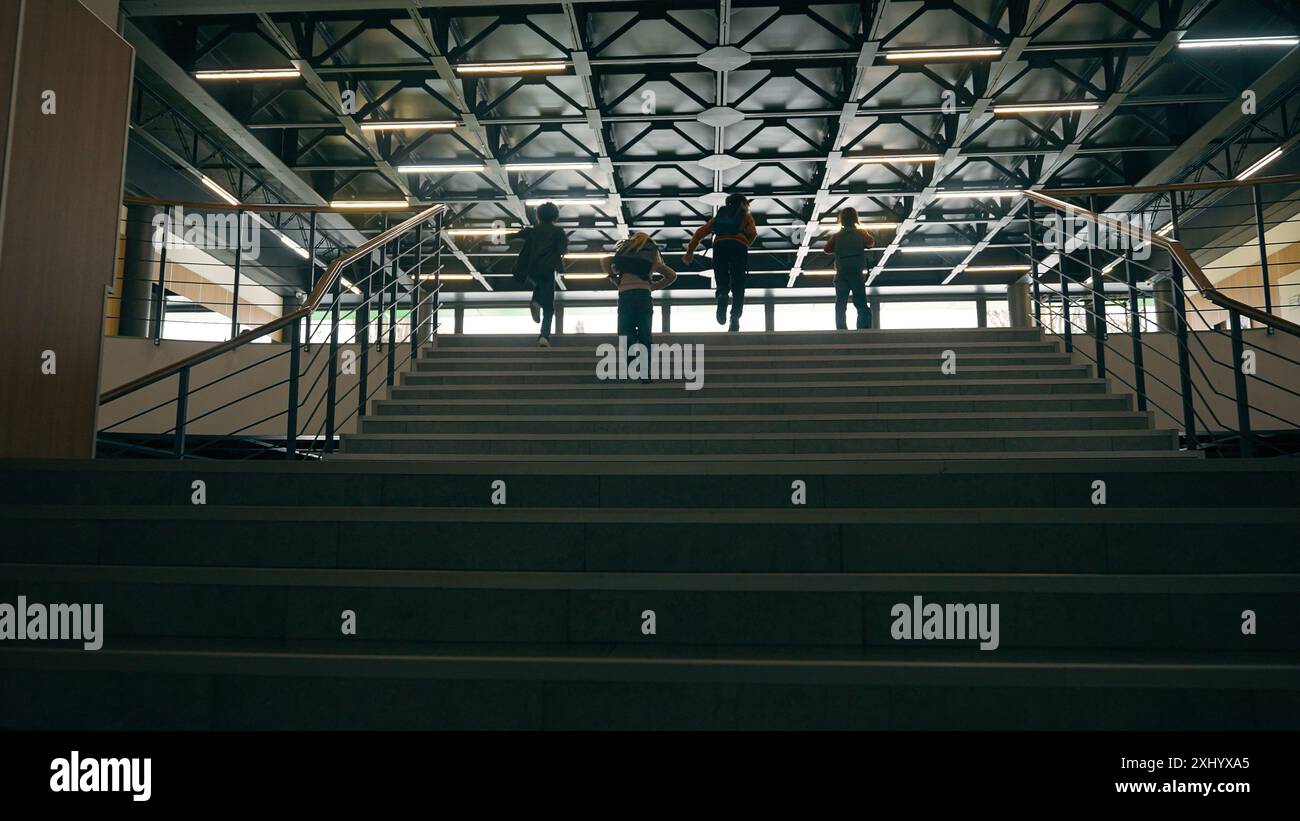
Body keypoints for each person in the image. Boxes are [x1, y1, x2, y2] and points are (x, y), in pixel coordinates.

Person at [603, 233, 677, 373]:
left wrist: (614, 279)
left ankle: (630, 360)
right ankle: (646, 370)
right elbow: (672, 275)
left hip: (625, 295)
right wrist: (653, 286)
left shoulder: (625, 254)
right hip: (644, 295)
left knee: (625, 330)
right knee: (645, 333)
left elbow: (604, 261)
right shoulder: (650, 257)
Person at [682, 193, 756, 331]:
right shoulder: (745, 215)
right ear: (743, 203)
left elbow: (700, 232)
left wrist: (690, 251)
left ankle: (722, 294)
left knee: (721, 276)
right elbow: (753, 233)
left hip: (720, 245)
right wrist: (745, 243)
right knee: (738, 283)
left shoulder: (720, 216)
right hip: (738, 246)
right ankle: (735, 318)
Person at [511, 202, 567, 346]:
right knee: (548, 307)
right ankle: (544, 336)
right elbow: (562, 250)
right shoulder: (558, 232)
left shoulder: (532, 230)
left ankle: (536, 301)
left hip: (531, 269)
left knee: (539, 286)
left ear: (538, 216)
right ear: (556, 216)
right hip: (548, 269)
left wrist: (498, 237)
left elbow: (515, 236)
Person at [821, 207, 876, 330]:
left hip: (841, 273)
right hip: (856, 273)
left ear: (841, 220)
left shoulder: (837, 236)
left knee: (841, 303)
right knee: (860, 303)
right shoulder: (860, 233)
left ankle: (841, 328)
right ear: (855, 219)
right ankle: (863, 328)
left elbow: (826, 249)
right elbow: (871, 243)